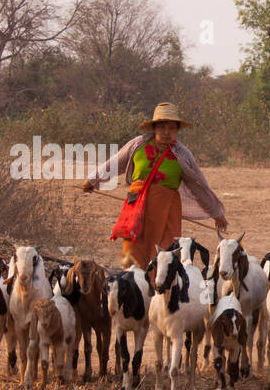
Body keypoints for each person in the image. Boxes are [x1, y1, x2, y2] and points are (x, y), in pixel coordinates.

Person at [83, 102, 229, 268]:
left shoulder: (182, 154)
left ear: (178, 130)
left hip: (167, 212)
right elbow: (114, 164)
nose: (167, 133)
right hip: (136, 208)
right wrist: (92, 180)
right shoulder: (138, 144)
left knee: (164, 257)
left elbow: (199, 186)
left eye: (172, 128)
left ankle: (158, 290)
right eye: (162, 127)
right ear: (154, 128)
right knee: (133, 255)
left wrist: (216, 213)